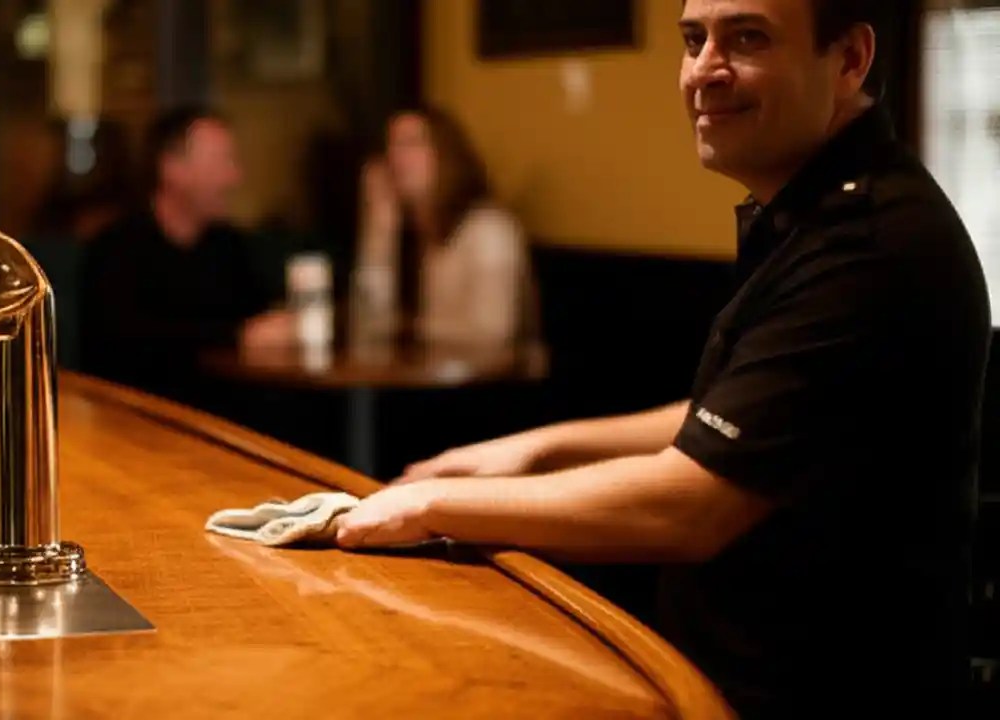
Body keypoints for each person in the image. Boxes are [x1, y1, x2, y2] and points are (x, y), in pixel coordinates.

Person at [334, 1, 990, 716]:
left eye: (747, 37)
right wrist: (534, 448)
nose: (704, 70)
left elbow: (693, 505)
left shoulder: (866, 242)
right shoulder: (821, 211)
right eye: (692, 38)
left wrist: (435, 506)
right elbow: (755, 417)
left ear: (850, 60)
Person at [79, 107, 293, 407]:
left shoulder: (227, 245)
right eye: (222, 163)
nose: (235, 177)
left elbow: (262, 315)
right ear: (172, 169)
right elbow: (127, 343)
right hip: (139, 420)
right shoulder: (118, 249)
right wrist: (235, 336)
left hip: (228, 415)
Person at [353, 108, 532, 347]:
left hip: (495, 379)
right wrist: (379, 230)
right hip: (431, 374)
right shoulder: (419, 233)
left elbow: (493, 332)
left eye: (412, 144)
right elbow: (368, 322)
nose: (396, 157)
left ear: (446, 155)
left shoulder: (489, 228)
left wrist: (406, 327)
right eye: (392, 146)